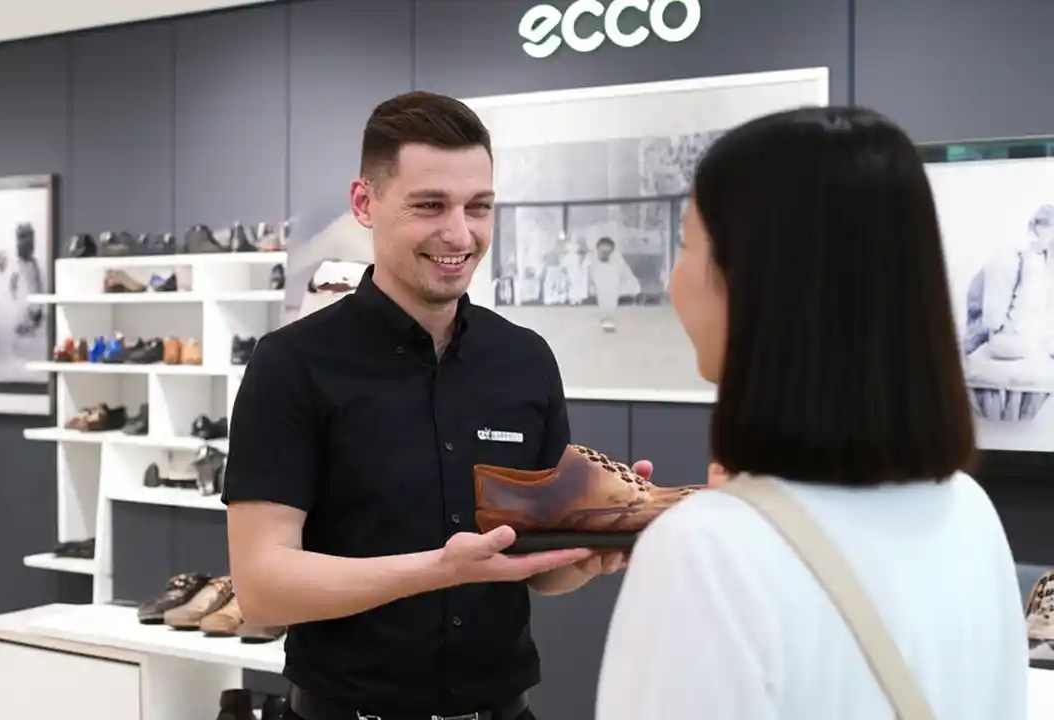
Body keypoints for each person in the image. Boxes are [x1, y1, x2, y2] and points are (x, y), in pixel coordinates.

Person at [223, 91, 647, 720]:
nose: (459, 233)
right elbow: (262, 589)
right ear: (364, 203)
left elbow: (535, 570)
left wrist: (586, 553)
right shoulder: (291, 364)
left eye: (479, 207)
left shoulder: (525, 360)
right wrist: (440, 569)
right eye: (430, 205)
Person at [596, 106, 1027, 719]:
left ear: (756, 283)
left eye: (688, 246)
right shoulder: (970, 512)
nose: (674, 283)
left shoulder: (706, 552)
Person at [963, 203, 1054, 359]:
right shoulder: (1010, 259)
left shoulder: (1041, 262)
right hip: (1005, 341)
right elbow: (993, 321)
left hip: (1028, 340)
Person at [590, 236, 638, 331]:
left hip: (615, 306)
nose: (605, 254)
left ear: (612, 252)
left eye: (607, 252)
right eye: (602, 251)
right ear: (597, 249)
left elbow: (629, 280)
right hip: (591, 307)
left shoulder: (618, 265)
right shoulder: (590, 263)